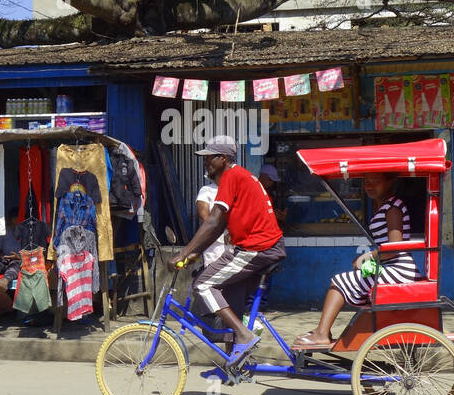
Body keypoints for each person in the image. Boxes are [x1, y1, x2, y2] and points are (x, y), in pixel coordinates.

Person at [170, 135, 285, 363]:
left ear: (222, 159)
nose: (205, 162)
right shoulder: (238, 177)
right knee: (230, 298)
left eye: (209, 158)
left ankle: (243, 335)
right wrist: (195, 253)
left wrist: (182, 253)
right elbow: (219, 224)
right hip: (260, 247)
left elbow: (212, 221)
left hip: (257, 248)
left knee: (202, 284)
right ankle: (235, 360)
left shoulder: (232, 176)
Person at [294, 171, 417, 348]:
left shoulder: (393, 208)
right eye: (367, 182)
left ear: (390, 182)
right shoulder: (384, 206)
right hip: (390, 266)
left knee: (339, 281)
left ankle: (321, 333)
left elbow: (395, 247)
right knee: (347, 279)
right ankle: (323, 331)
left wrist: (367, 257)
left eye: (376, 181)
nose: (370, 186)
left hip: (399, 269)